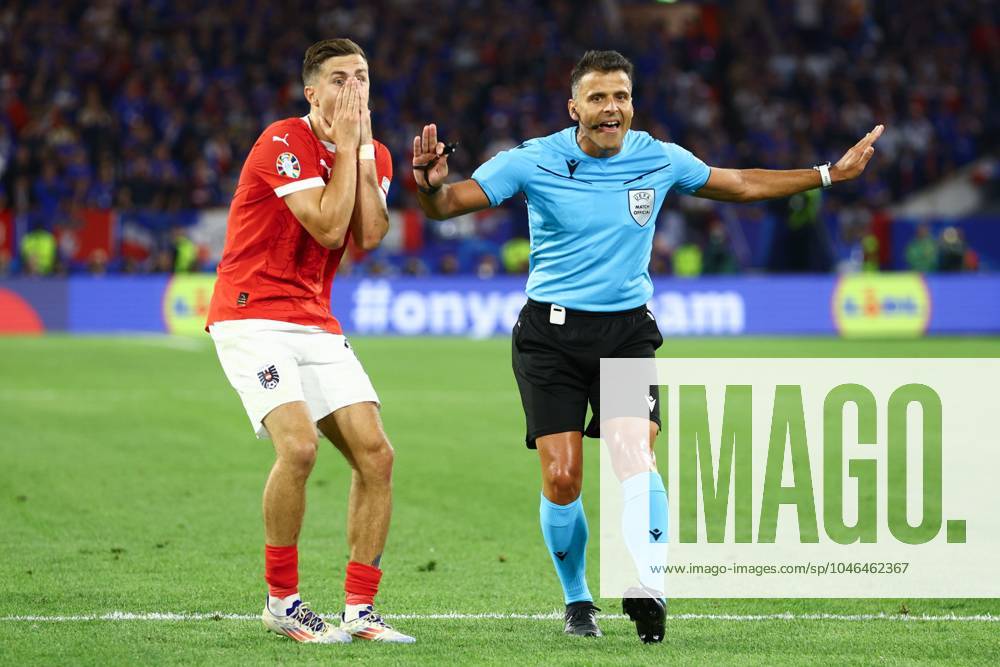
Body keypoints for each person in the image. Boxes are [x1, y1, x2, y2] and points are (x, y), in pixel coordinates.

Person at [413, 50, 882, 644]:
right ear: (574, 107)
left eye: (622, 98)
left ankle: (650, 584)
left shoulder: (657, 158)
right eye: (599, 98)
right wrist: (429, 188)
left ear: (631, 103)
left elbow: (735, 183)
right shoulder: (532, 160)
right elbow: (449, 204)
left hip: (626, 335)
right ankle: (578, 599)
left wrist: (826, 175)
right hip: (549, 339)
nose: (612, 109)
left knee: (636, 451)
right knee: (562, 478)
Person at [205, 38, 414, 645]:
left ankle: (361, 610)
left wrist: (362, 157)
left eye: (363, 77)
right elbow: (327, 228)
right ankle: (282, 601)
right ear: (312, 91)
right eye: (341, 78)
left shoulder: (374, 151)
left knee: (377, 456)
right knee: (298, 450)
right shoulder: (281, 141)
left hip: (315, 320)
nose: (354, 89)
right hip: (250, 315)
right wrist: (348, 150)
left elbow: (370, 235)